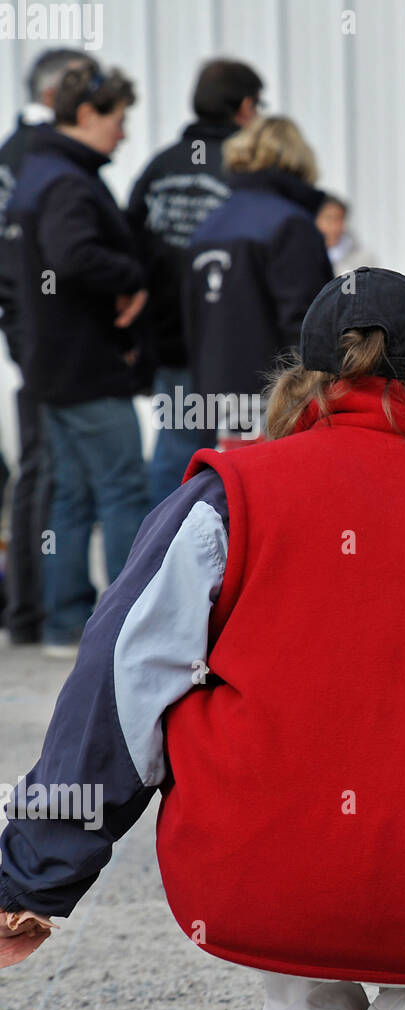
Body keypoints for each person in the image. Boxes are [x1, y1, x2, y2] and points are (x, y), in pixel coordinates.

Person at [0, 267, 405, 1010]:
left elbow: (121, 681)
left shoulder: (229, 498)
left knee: (251, 722)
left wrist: (34, 871)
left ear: (304, 382)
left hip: (260, 878)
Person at [4, 63, 150, 658]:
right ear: (86, 115)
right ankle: (124, 622)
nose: (123, 134)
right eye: (118, 120)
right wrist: (133, 276)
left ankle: (65, 621)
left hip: (47, 362)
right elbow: (73, 255)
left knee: (69, 492)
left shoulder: (35, 173)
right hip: (85, 363)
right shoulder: (66, 181)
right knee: (122, 487)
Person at [126, 58, 264, 507]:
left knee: (175, 450)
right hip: (236, 344)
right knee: (246, 457)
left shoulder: (160, 168)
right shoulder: (245, 173)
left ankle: (157, 559)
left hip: (172, 340)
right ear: (244, 107)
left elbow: (129, 248)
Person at [0, 47, 97, 645]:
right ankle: (37, 613)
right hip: (48, 342)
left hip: (37, 338)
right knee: (51, 472)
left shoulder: (24, 155)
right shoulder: (37, 157)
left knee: (49, 470)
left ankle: (34, 611)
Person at [184, 116, 333, 444]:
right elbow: (306, 324)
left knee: (229, 487)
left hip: (213, 396)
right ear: (297, 159)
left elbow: (193, 322)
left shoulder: (208, 226)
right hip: (273, 397)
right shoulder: (290, 224)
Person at [316, 193, 377, 275]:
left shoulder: (363, 258)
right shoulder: (304, 256)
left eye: (339, 219)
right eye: (328, 219)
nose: (334, 227)